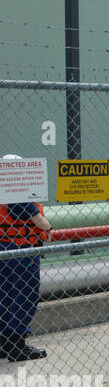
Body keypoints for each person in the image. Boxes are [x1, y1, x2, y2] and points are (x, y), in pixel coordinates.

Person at [0, 154, 52, 362]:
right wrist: (49, 227)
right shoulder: (18, 191)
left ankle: (4, 342)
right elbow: (37, 219)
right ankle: (17, 344)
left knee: (5, 294)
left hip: (3, 248)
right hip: (22, 250)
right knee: (25, 294)